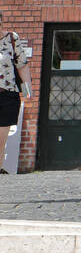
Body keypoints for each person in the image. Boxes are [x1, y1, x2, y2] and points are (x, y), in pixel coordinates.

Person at [0, 15, 33, 173]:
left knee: (1, 138)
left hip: (7, 95)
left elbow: (22, 65)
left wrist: (27, 90)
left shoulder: (12, 39)